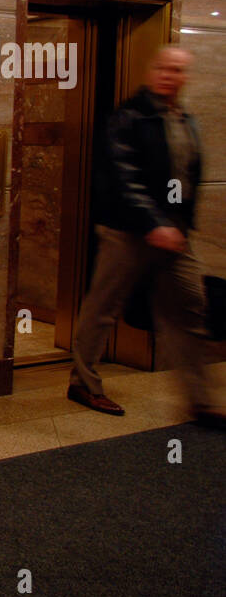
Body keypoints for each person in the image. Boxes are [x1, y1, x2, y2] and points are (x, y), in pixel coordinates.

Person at [67, 45, 223, 427]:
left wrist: (179, 223)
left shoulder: (186, 120)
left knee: (189, 310)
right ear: (152, 71)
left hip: (175, 233)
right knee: (103, 306)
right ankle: (83, 383)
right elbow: (124, 176)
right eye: (165, 68)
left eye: (178, 70)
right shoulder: (129, 116)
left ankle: (201, 401)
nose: (170, 75)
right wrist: (153, 222)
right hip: (128, 229)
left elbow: (186, 176)